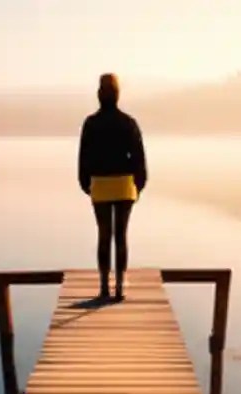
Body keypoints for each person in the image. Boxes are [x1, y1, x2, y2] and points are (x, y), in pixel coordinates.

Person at [78, 73, 147, 302]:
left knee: (104, 236)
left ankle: (104, 288)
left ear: (99, 95)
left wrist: (85, 183)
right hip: (125, 184)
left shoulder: (91, 123)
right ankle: (119, 287)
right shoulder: (128, 122)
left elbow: (84, 158)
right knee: (121, 236)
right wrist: (139, 184)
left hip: (101, 184)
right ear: (117, 95)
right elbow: (139, 157)